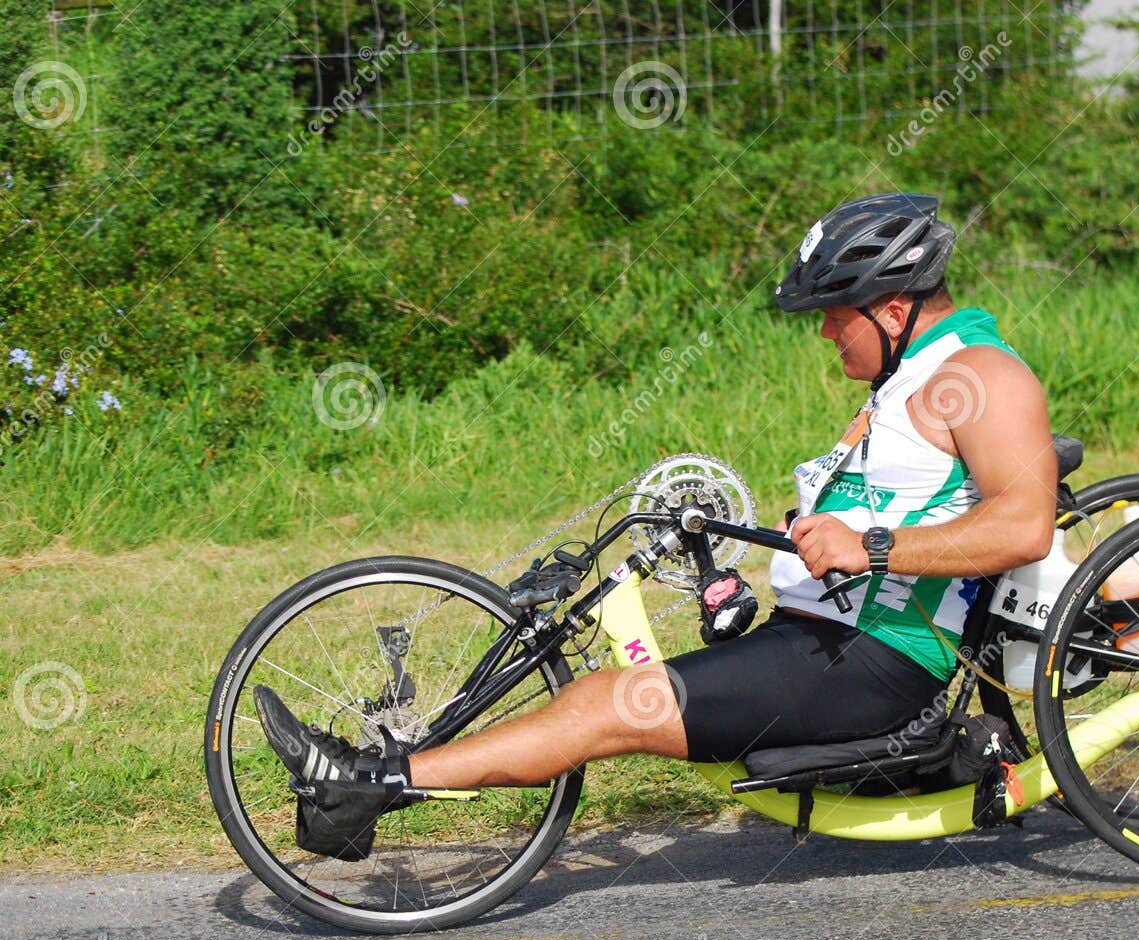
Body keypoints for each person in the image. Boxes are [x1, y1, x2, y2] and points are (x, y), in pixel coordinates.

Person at [253, 192, 1057, 824]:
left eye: (833, 313)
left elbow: (1024, 523)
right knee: (596, 669)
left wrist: (868, 546)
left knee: (610, 705)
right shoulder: (907, 380)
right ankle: (378, 775)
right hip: (817, 638)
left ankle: (369, 782)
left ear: (891, 308)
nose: (821, 332)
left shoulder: (982, 375)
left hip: (875, 662)